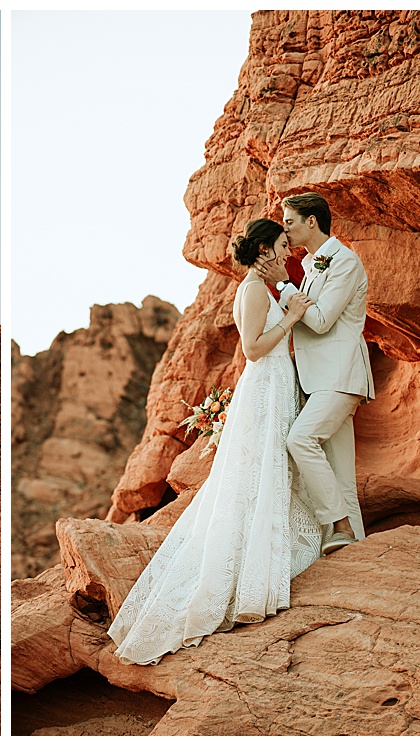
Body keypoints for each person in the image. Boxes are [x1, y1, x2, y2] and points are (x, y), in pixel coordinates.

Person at [108, 218, 324, 665]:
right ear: (263, 250)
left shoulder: (266, 286)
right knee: (256, 471)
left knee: (270, 469)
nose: (288, 253)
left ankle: (266, 552)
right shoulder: (249, 289)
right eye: (282, 246)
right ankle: (241, 576)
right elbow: (254, 348)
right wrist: (294, 318)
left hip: (277, 383)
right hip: (264, 384)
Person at [276, 192, 373, 553]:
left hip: (340, 377)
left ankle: (339, 524)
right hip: (321, 380)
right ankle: (358, 553)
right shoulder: (315, 263)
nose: (285, 229)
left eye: (290, 221)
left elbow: (318, 321)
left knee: (299, 440)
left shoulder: (344, 261)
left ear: (311, 221)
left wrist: (285, 288)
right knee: (344, 478)